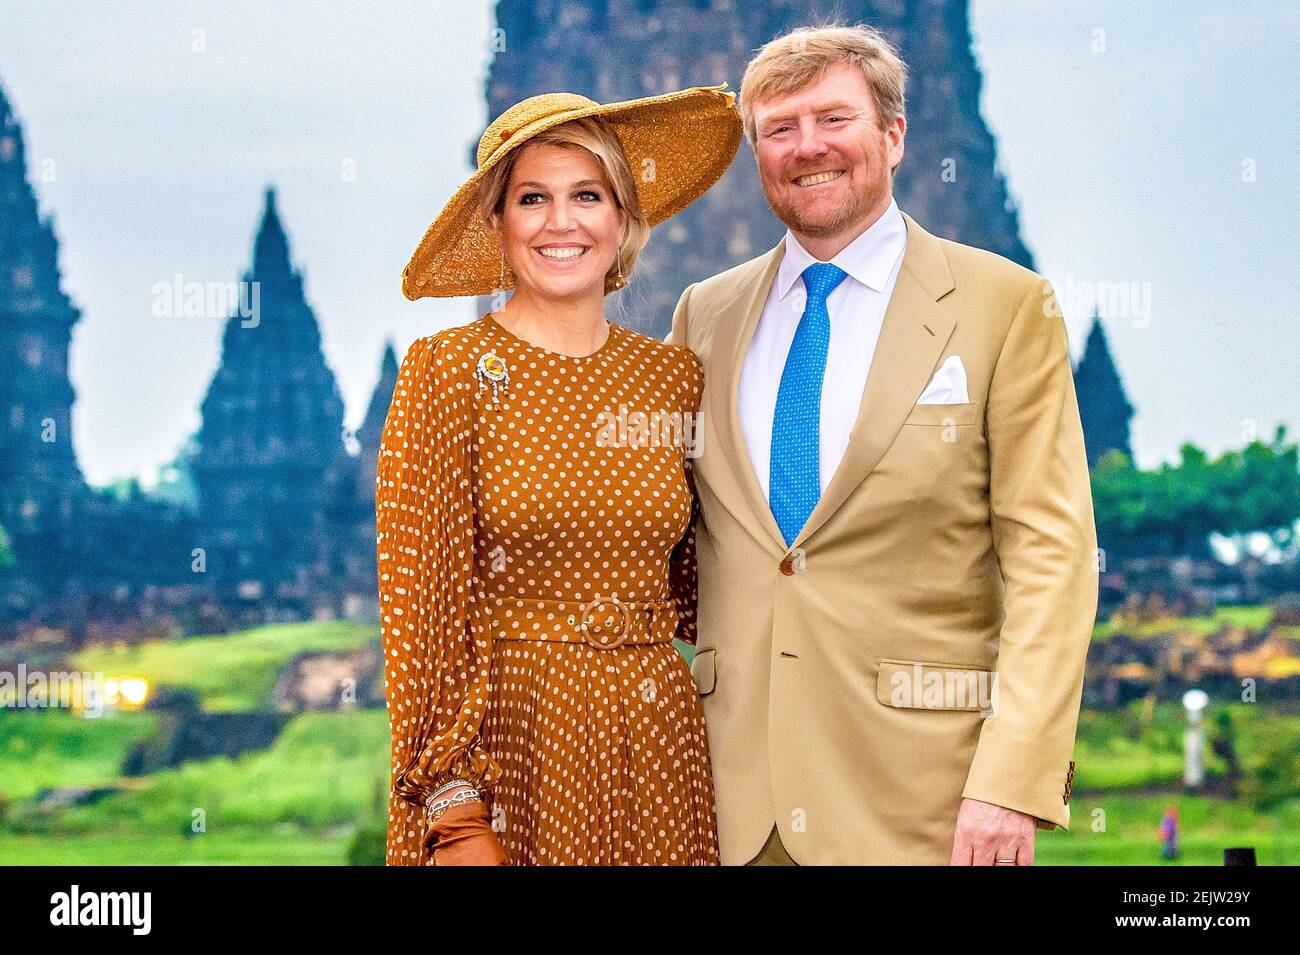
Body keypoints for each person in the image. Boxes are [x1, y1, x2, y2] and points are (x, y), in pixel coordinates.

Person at [667, 23, 1098, 865]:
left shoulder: (1003, 305)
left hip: (921, 803)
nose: (808, 148)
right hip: (726, 797)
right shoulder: (704, 315)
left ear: (894, 136)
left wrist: (1012, 779)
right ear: (756, 153)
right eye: (780, 129)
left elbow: (1053, 556)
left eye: (835, 120)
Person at [379, 84, 742, 864]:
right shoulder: (446, 373)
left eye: (588, 195)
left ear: (623, 218)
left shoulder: (673, 378)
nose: (561, 221)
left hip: (657, 737)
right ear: (498, 222)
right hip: (513, 743)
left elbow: (712, 584)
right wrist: (453, 807)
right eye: (532, 198)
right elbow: (422, 605)